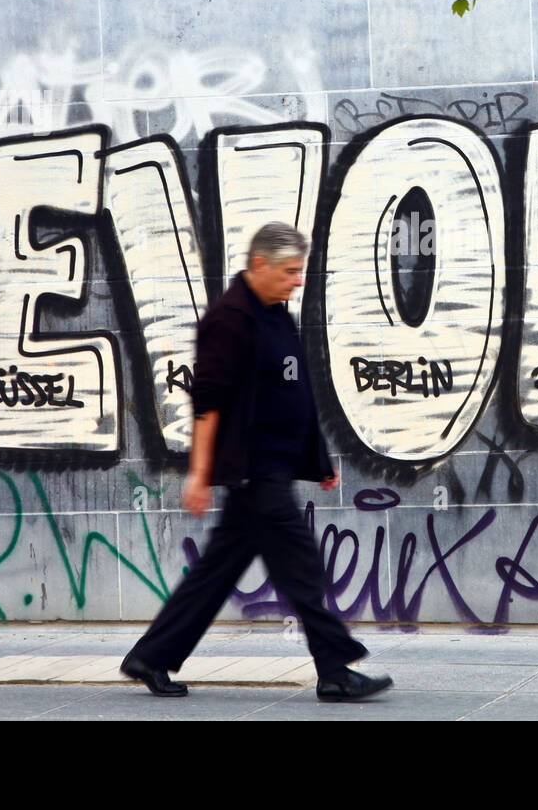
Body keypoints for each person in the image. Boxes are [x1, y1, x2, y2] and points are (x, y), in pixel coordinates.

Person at [120, 222, 392, 702]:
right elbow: (208, 404)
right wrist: (201, 475)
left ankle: (152, 655)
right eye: (290, 271)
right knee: (301, 566)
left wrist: (320, 458)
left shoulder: (276, 314)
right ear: (259, 264)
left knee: (217, 572)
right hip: (254, 472)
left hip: (276, 468)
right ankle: (334, 668)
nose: (297, 280)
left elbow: (296, 390)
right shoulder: (229, 320)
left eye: (299, 271)